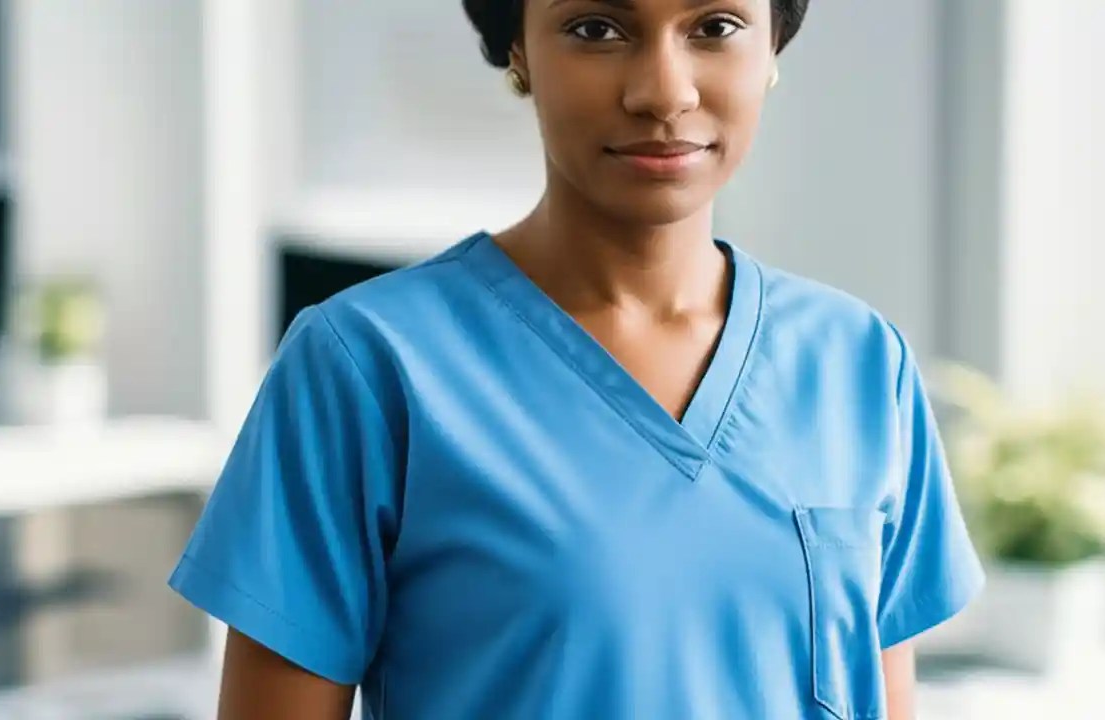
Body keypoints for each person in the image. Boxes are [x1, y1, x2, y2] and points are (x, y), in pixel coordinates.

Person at [168, 0, 985, 717]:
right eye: (597, 28)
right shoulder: (367, 367)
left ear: (773, 47)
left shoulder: (861, 363)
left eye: (717, 27)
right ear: (519, 48)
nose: (663, 92)